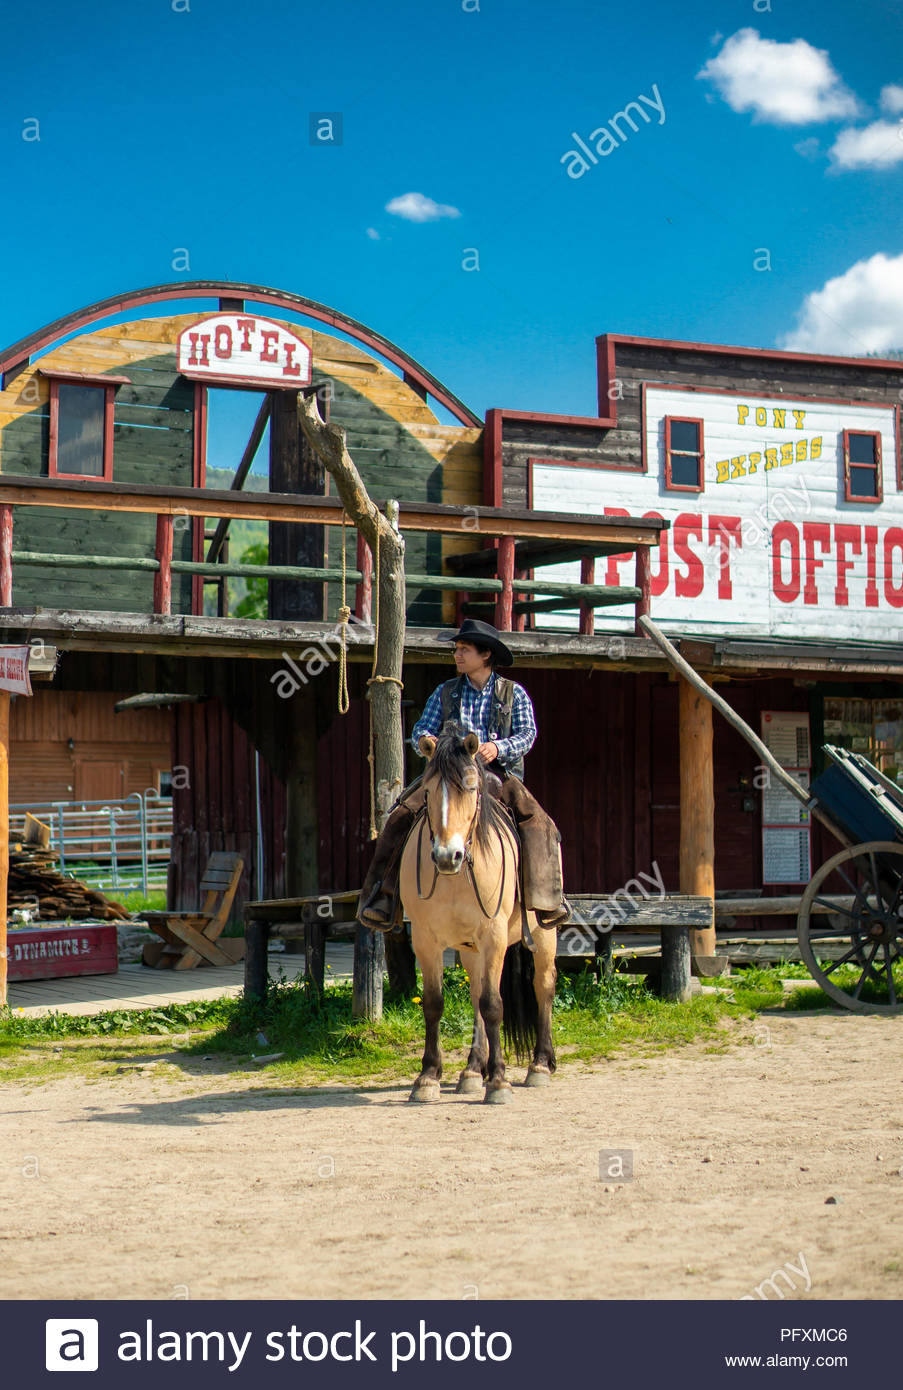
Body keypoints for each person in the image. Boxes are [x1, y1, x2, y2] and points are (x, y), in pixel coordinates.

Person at [357, 618, 570, 930]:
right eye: (456, 649)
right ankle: (382, 897)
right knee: (399, 816)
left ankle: (546, 900)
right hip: (448, 773)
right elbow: (421, 729)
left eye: (464, 649)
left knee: (540, 823)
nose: (456, 655)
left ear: (485, 655)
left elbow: (528, 734)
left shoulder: (514, 694)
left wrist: (498, 747)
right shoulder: (445, 692)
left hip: (498, 774)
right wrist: (425, 742)